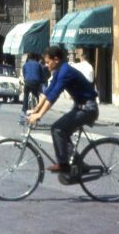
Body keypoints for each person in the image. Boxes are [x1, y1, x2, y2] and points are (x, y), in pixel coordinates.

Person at [27, 45, 98, 180]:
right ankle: (77, 164)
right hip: (80, 107)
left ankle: (64, 164)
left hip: (88, 109)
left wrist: (39, 115)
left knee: (58, 129)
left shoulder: (65, 72)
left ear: (56, 59)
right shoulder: (59, 71)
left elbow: (54, 95)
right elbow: (48, 92)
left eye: (48, 62)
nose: (46, 65)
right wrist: (35, 110)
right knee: (61, 132)